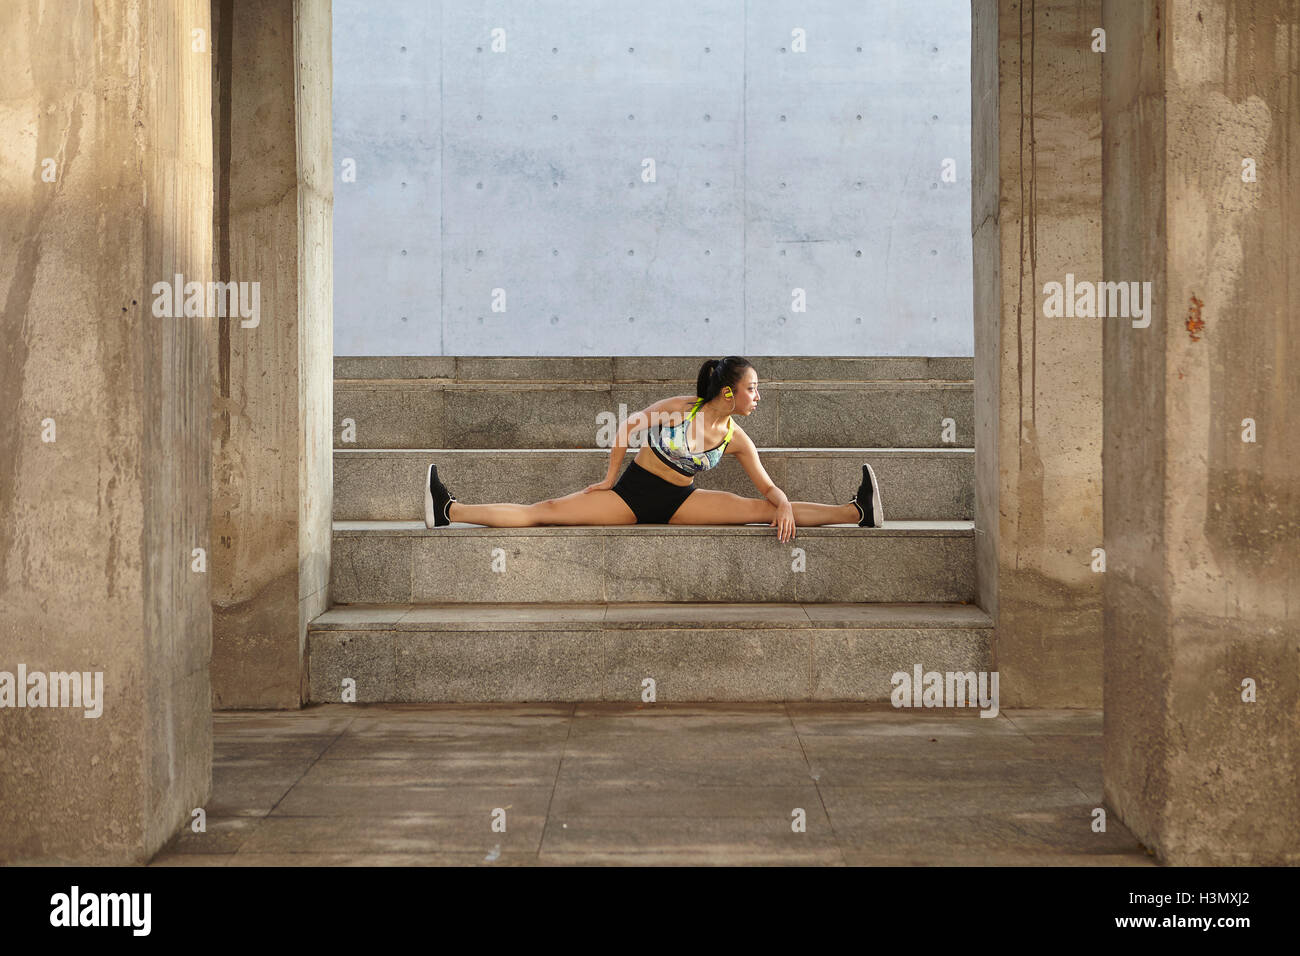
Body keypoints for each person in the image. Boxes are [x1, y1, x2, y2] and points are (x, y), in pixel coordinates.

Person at [423, 356, 884, 543]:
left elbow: (766, 486)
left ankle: (856, 512)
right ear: (728, 392)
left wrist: (781, 503)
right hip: (629, 496)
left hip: (681, 503)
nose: (757, 396)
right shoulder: (681, 409)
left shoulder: (736, 438)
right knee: (542, 510)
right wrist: (607, 479)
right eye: (752, 389)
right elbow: (628, 427)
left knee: (760, 508)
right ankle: (449, 510)